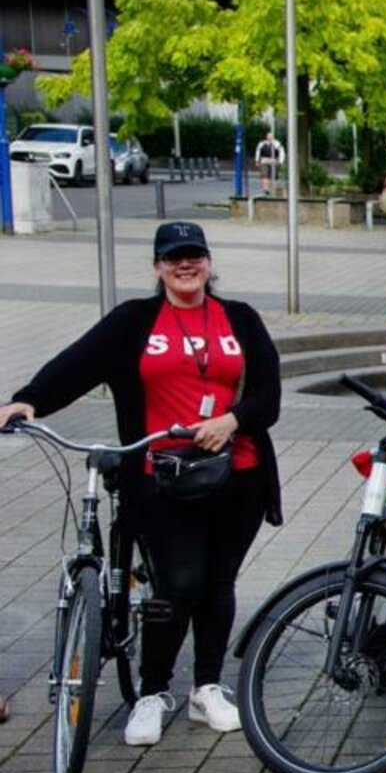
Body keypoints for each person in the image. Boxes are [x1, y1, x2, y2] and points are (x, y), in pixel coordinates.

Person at [1, 223, 283, 745]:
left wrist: (232, 420)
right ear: (157, 266)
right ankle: (153, 693)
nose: (185, 265)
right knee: (177, 585)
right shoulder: (134, 320)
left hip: (238, 472)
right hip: (159, 477)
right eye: (174, 258)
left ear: (208, 262)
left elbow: (268, 394)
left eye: (194, 256)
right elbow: (78, 364)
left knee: (218, 582)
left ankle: (206, 688)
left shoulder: (239, 318)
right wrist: (28, 398)